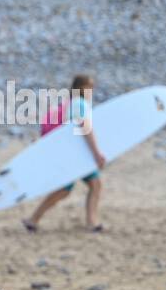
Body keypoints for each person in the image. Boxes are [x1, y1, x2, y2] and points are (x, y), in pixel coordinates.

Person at [23, 74, 105, 233]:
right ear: (81, 88)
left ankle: (92, 222)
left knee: (94, 185)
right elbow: (85, 129)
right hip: (75, 156)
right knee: (65, 190)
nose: (92, 90)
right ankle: (33, 219)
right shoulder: (79, 103)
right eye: (90, 86)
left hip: (74, 154)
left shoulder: (68, 103)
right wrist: (96, 153)